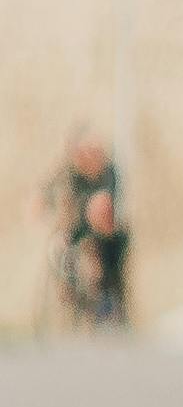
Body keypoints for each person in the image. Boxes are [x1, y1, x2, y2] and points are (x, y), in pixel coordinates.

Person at [48, 130, 128, 332]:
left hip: (105, 232)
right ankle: (69, 290)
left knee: (103, 259)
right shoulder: (72, 174)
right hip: (78, 228)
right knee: (58, 249)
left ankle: (105, 301)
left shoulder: (109, 173)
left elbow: (107, 203)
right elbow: (53, 192)